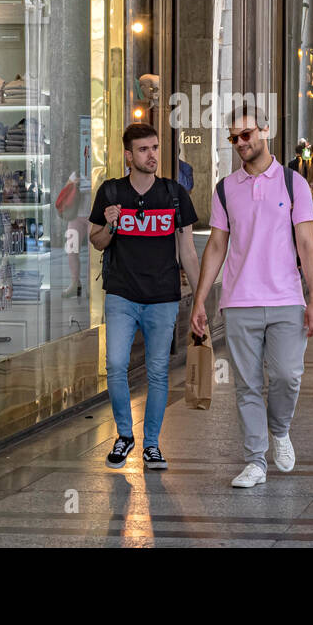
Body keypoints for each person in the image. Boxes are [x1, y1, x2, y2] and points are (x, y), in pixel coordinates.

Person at [190, 105, 313, 489]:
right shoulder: (225, 188)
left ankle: (279, 430)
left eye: (246, 135)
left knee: (287, 375)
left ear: (265, 130)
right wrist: (201, 301)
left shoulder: (293, 182)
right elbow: (216, 246)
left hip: (286, 298)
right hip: (238, 300)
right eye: (233, 138)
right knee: (247, 385)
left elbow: (308, 244)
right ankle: (254, 461)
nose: (240, 143)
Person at [89, 123, 202, 471]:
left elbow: (188, 251)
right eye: (143, 149)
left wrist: (200, 302)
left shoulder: (174, 194)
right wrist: (110, 224)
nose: (152, 155)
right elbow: (96, 241)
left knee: (157, 372)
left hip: (163, 297)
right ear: (128, 155)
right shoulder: (110, 192)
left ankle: (151, 445)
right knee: (116, 365)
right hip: (122, 294)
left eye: (155, 148)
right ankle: (125, 436)